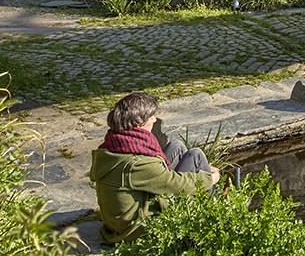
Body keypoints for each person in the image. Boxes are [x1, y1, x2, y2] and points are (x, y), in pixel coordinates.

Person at [90, 91, 220, 242]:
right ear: (138, 124)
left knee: (176, 146)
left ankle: (198, 206)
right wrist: (208, 178)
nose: (154, 119)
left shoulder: (113, 145)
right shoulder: (137, 164)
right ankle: (212, 218)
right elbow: (175, 184)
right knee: (196, 155)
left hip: (119, 222)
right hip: (135, 229)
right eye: (150, 116)